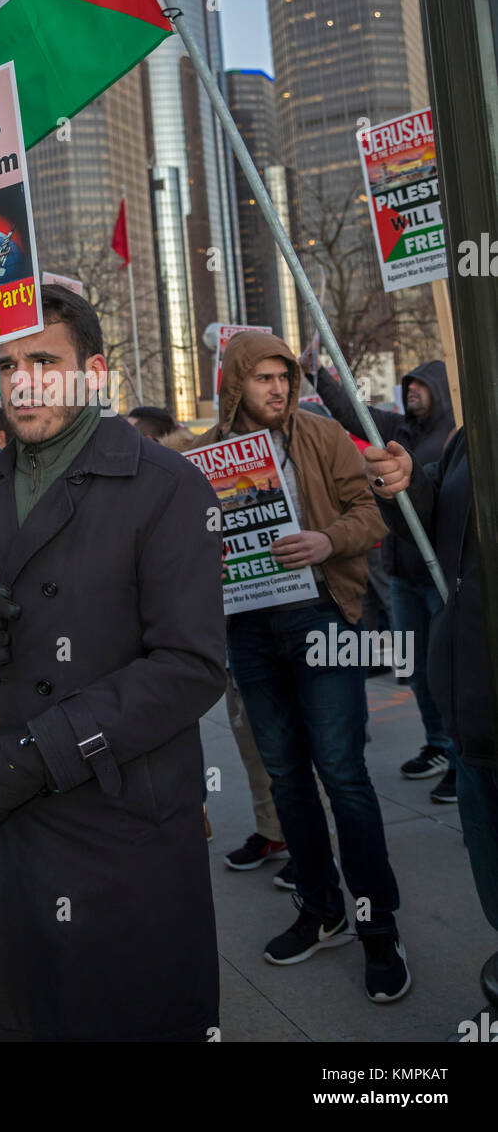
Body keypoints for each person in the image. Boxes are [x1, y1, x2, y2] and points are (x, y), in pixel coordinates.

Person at [0, 284, 226, 1042]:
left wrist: (37, 753)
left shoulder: (165, 484)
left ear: (92, 371)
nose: (21, 380)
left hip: (117, 825)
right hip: (6, 829)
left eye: (42, 360)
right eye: (5, 363)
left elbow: (191, 666)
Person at [204, 330, 409, 1002]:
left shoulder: (321, 436)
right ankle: (321, 909)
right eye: (261, 378)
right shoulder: (208, 455)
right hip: (251, 629)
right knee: (286, 776)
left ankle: (379, 927)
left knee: (342, 772)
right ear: (235, 382)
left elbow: (369, 515)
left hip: (326, 616)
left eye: (283, 378)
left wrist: (326, 540)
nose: (275, 389)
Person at [364, 431, 498, 1023]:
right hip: (472, 705)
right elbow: (430, 545)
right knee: (493, 881)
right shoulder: (472, 436)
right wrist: (405, 487)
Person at [300, 346, 456, 797]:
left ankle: (462, 755)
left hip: (441, 576)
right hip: (404, 575)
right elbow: (352, 411)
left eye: (421, 387)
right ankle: (437, 743)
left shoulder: (454, 433)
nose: (412, 394)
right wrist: (318, 373)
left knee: (447, 668)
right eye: (408, 387)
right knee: (419, 668)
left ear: (442, 391)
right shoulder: (396, 429)